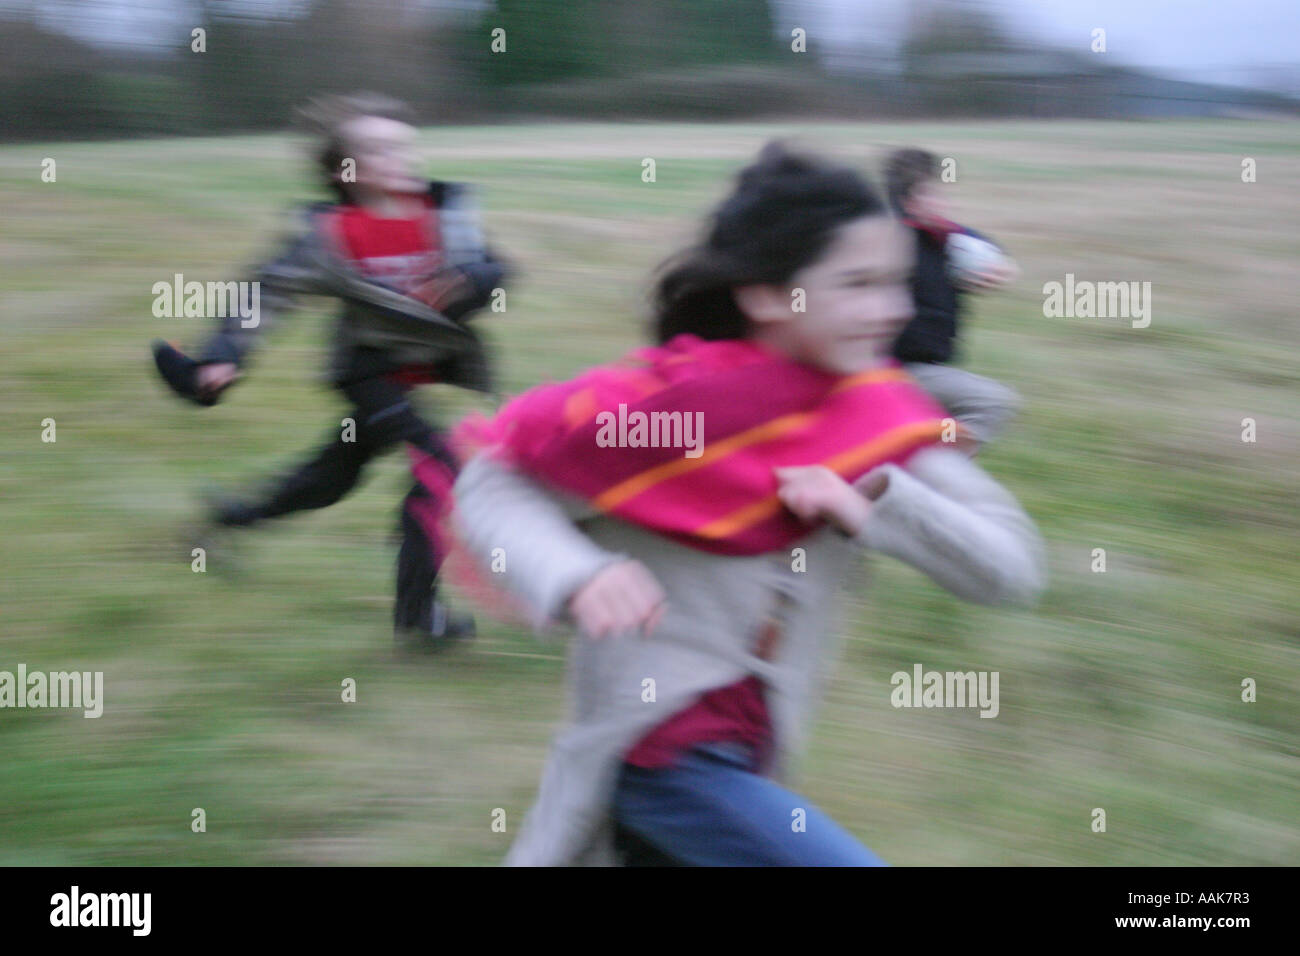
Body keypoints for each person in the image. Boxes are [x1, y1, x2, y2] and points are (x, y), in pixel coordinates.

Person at [451, 142, 1045, 865]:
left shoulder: (887, 419)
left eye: (895, 283)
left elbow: (1012, 570)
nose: (892, 309)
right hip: (656, 754)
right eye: (857, 284)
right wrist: (576, 574)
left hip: (759, 751)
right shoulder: (668, 415)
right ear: (766, 293)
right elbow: (492, 482)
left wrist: (877, 507)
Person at [151, 93, 509, 649]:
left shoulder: (445, 215)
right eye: (378, 151)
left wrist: (477, 280)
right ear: (346, 170)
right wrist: (223, 355)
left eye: (403, 148)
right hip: (370, 375)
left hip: (421, 370)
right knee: (440, 465)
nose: (401, 161)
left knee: (330, 480)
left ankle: (231, 518)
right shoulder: (331, 237)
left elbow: (494, 266)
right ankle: (418, 615)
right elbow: (267, 294)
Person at [883, 147, 1020, 452]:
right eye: (933, 195)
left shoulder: (948, 239)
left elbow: (991, 256)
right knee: (992, 402)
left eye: (943, 195)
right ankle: (934, 473)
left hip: (930, 368)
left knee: (931, 430)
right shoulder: (886, 242)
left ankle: (916, 465)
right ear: (908, 202)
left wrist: (999, 269)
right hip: (895, 370)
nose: (943, 203)